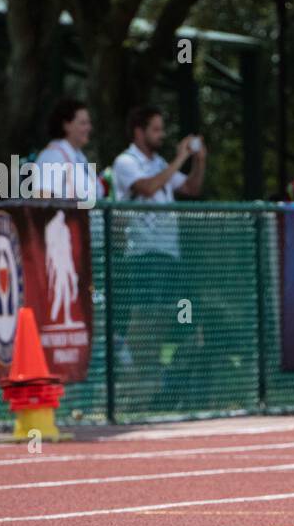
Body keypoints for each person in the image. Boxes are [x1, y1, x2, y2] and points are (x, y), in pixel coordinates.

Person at [110, 107, 207, 403]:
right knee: (146, 317)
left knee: (177, 315)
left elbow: (190, 187)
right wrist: (181, 156)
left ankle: (160, 384)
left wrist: (199, 161)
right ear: (139, 131)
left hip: (169, 253)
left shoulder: (160, 163)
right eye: (155, 129)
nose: (161, 135)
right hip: (143, 253)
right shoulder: (126, 162)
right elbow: (150, 188)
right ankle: (137, 384)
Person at [37, 98, 98, 205]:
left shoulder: (79, 156)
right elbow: (43, 198)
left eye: (89, 123)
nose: (89, 128)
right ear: (67, 125)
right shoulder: (53, 156)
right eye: (83, 123)